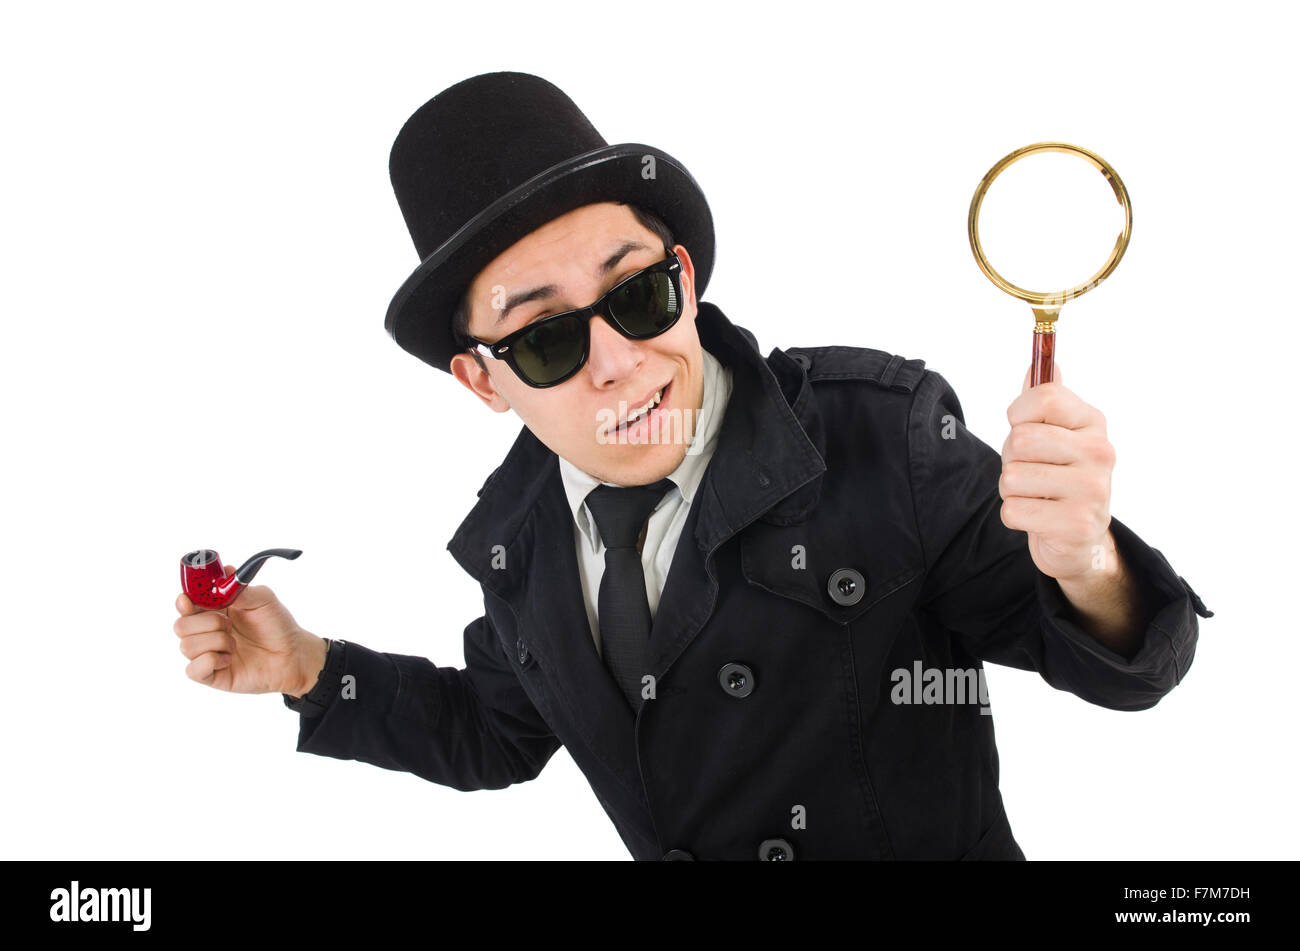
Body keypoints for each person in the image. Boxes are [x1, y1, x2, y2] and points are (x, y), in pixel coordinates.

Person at [173, 71, 1213, 860]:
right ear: (482, 382)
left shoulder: (877, 437)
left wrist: (1086, 564)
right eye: (544, 340)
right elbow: (498, 732)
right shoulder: (521, 539)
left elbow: (1123, 668)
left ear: (680, 274)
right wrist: (310, 670)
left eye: (635, 296)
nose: (621, 364)